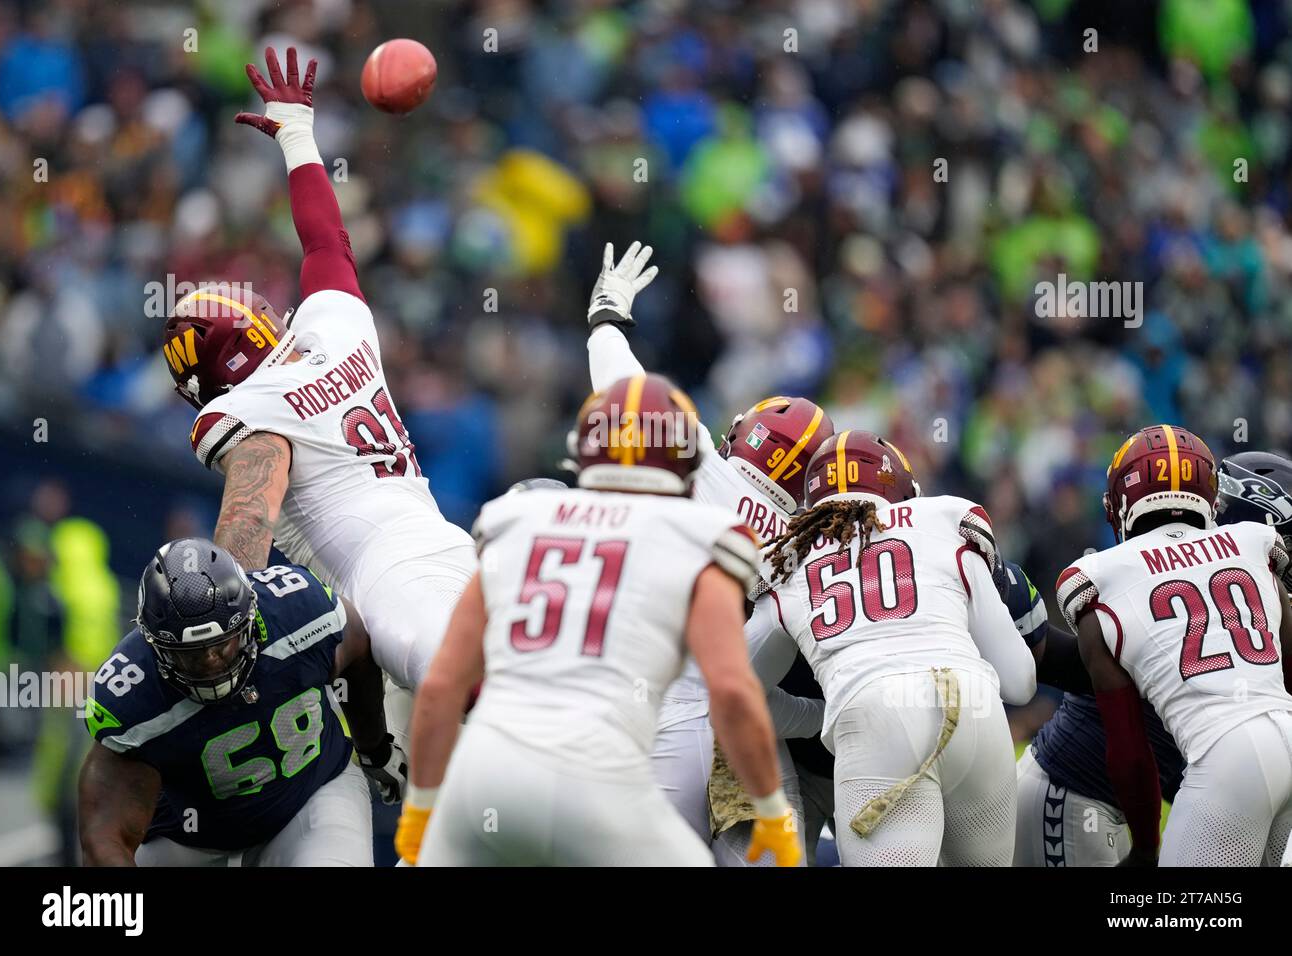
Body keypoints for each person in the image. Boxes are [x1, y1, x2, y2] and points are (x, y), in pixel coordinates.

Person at [159, 48, 475, 733]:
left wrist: (218, 627)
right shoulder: (335, 325)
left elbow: (248, 521)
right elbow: (326, 242)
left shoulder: (243, 414)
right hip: (444, 541)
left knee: (483, 706)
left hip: (389, 581)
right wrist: (298, 136)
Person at [394, 374, 801, 867]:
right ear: (687, 459)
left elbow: (441, 686)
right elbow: (734, 694)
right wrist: (771, 808)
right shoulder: (704, 537)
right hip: (600, 783)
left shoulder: (518, 518)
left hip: (485, 778)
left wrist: (420, 810)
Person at [584, 240, 829, 859]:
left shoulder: (701, 466)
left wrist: (608, 316)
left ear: (746, 437)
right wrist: (826, 718)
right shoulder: (805, 551)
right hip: (727, 727)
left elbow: (620, 385)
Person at [757, 429, 1036, 866]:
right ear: (905, 493)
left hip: (874, 713)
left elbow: (733, 686)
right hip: (977, 705)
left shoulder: (790, 560)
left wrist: (814, 717)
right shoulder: (947, 520)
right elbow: (1020, 683)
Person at [78, 538, 403, 866]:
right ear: (156, 647)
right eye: (192, 654)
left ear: (249, 618)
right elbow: (105, 837)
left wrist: (374, 748)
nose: (211, 662)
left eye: (222, 644)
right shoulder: (133, 694)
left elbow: (357, 647)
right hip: (190, 839)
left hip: (312, 798)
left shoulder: (299, 612)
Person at [1064, 425, 1292, 866]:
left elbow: (1130, 752)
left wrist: (1147, 844)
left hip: (1225, 759)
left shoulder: (1099, 579)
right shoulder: (1253, 543)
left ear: (1120, 503)